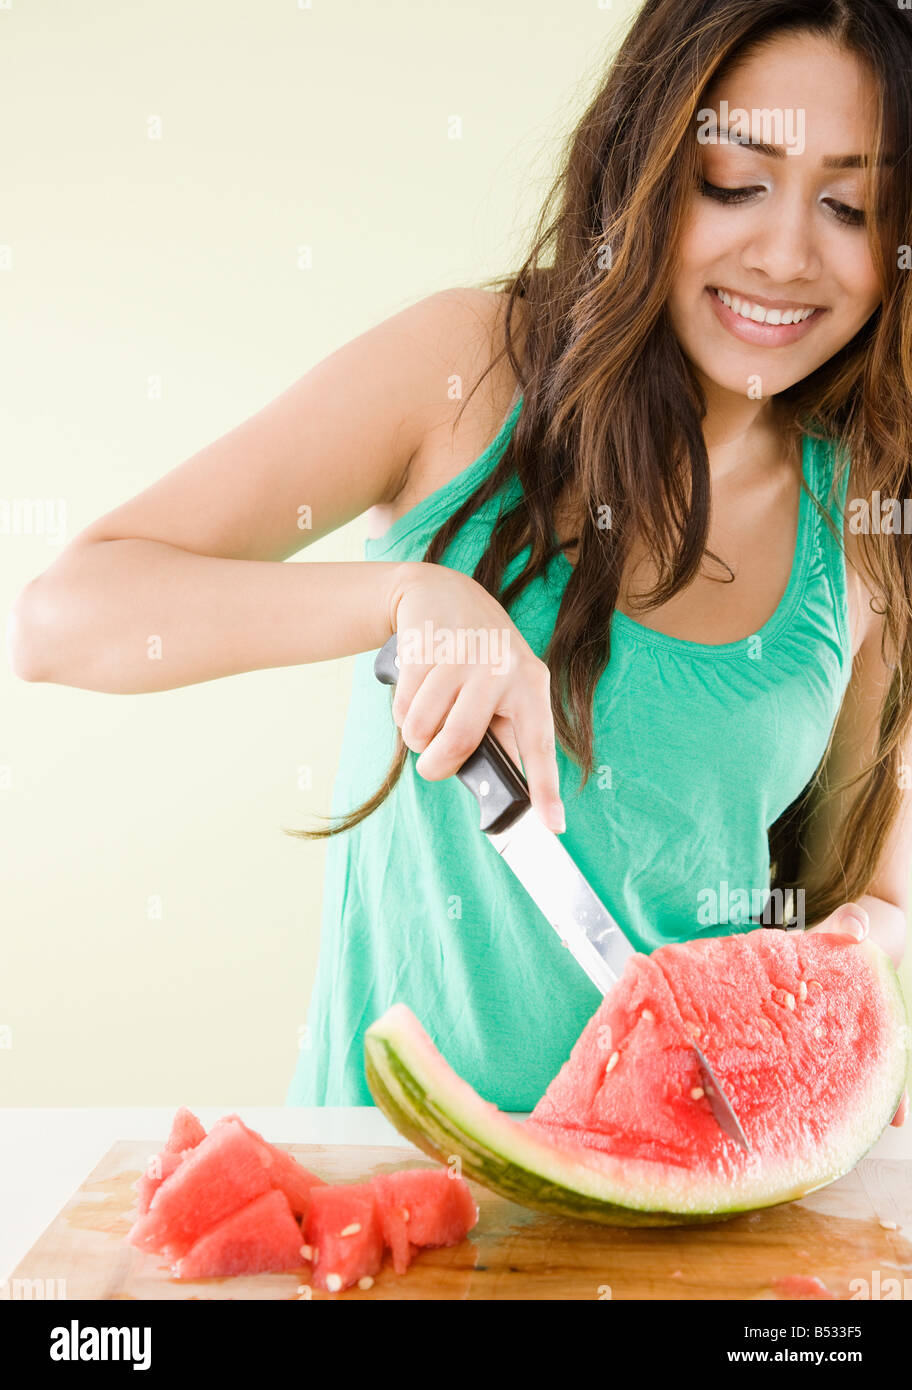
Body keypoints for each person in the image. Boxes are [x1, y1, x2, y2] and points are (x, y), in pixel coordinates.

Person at [10, 0, 910, 1122]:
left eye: (850, 204)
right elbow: (62, 617)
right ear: (646, 171)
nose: (785, 255)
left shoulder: (867, 524)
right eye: (734, 180)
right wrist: (405, 595)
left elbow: (875, 893)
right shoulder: (464, 371)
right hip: (388, 1210)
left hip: (689, 1227)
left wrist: (834, 983)